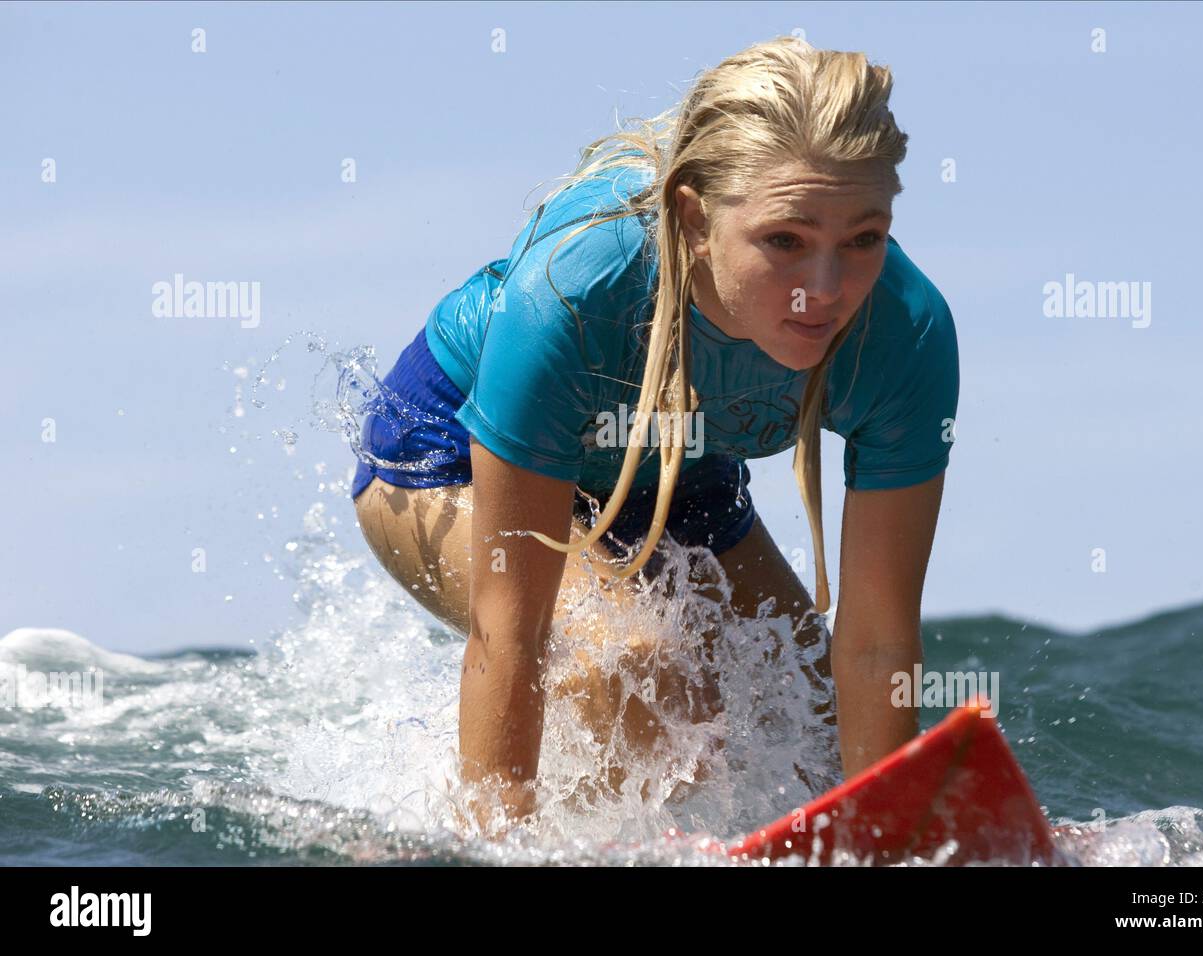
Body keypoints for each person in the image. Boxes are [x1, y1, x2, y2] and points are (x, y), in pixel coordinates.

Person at [350, 35, 958, 836]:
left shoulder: (903, 336)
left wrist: (888, 841)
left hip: (678, 474)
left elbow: (876, 643)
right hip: (444, 455)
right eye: (785, 241)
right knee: (629, 662)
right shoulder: (575, 290)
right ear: (695, 219)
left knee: (808, 701)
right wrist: (488, 850)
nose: (826, 289)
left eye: (863, 239)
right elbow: (514, 630)